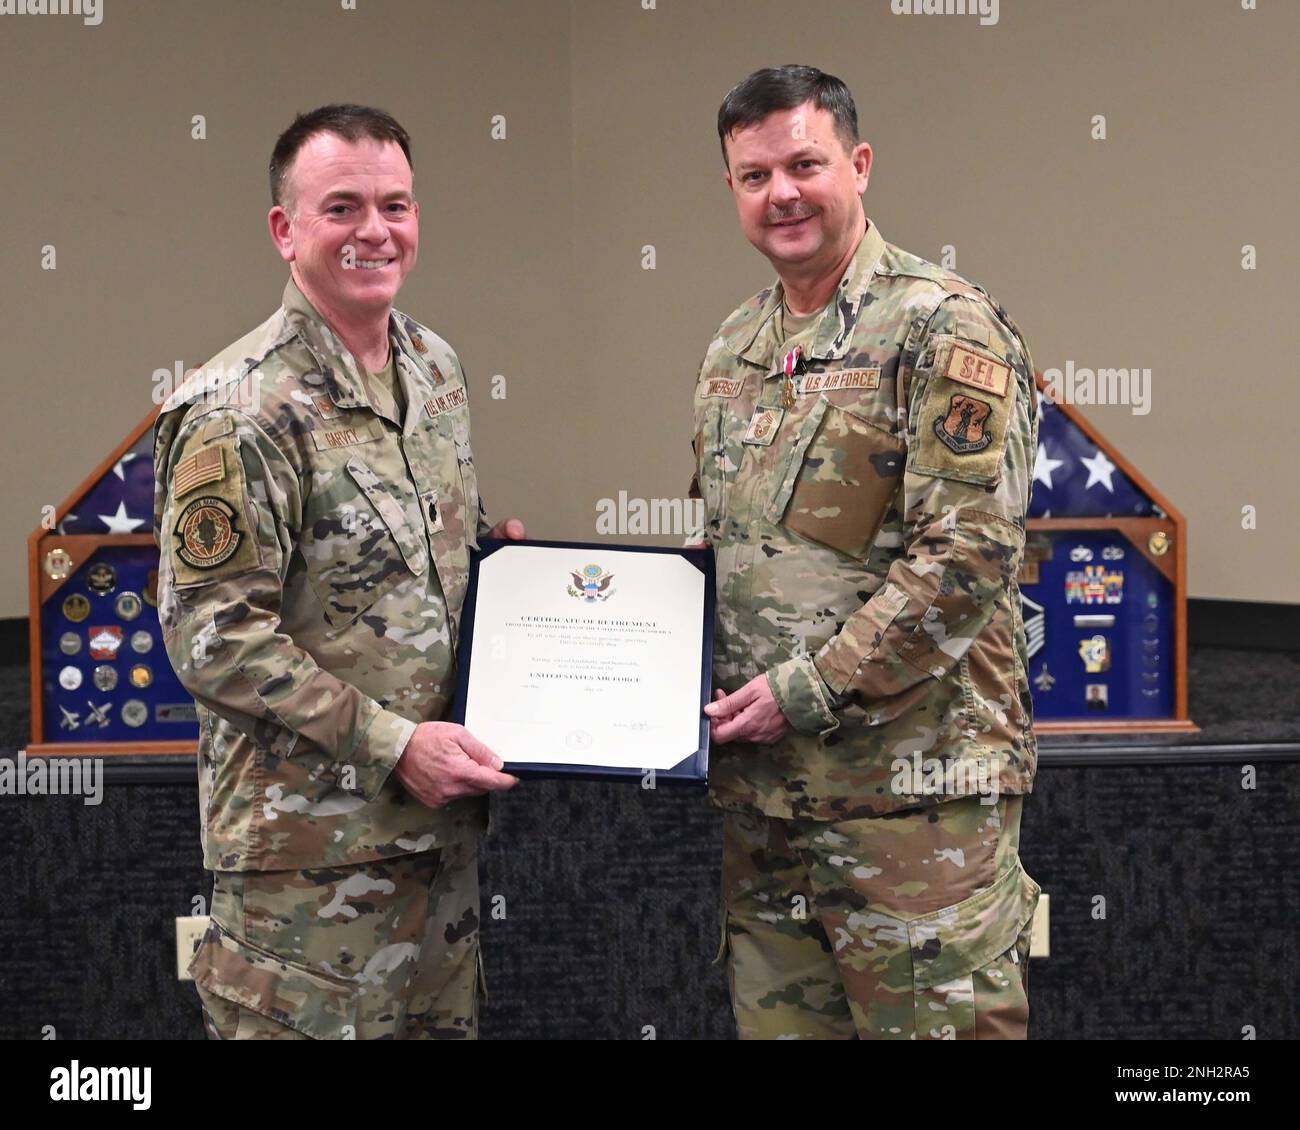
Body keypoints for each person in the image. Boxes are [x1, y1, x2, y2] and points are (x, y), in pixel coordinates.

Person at [154, 103, 521, 1040]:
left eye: (395, 205)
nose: (375, 231)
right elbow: (216, 639)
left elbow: (437, 555)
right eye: (342, 207)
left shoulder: (434, 368)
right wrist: (396, 743)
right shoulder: (238, 410)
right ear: (286, 230)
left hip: (438, 849)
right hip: (306, 868)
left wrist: (520, 582)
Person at [694, 66, 1041, 1039]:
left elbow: (965, 557)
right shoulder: (734, 349)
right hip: (768, 817)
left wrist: (803, 688)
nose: (783, 193)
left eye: (804, 163)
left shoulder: (944, 324)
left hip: (912, 812)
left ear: (859, 163)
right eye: (754, 174)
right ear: (732, 190)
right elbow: (741, 546)